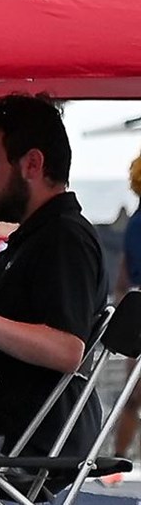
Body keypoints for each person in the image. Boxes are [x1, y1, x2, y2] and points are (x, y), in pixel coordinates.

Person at [0, 94, 107, 459]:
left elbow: (66, 349)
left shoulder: (64, 237)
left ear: (32, 164)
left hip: (23, 437)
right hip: (3, 427)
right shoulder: (33, 240)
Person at [112, 151, 141, 463]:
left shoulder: (135, 222)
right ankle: (118, 458)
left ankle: (118, 459)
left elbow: (122, 276)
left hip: (136, 314)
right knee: (133, 395)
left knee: (132, 395)